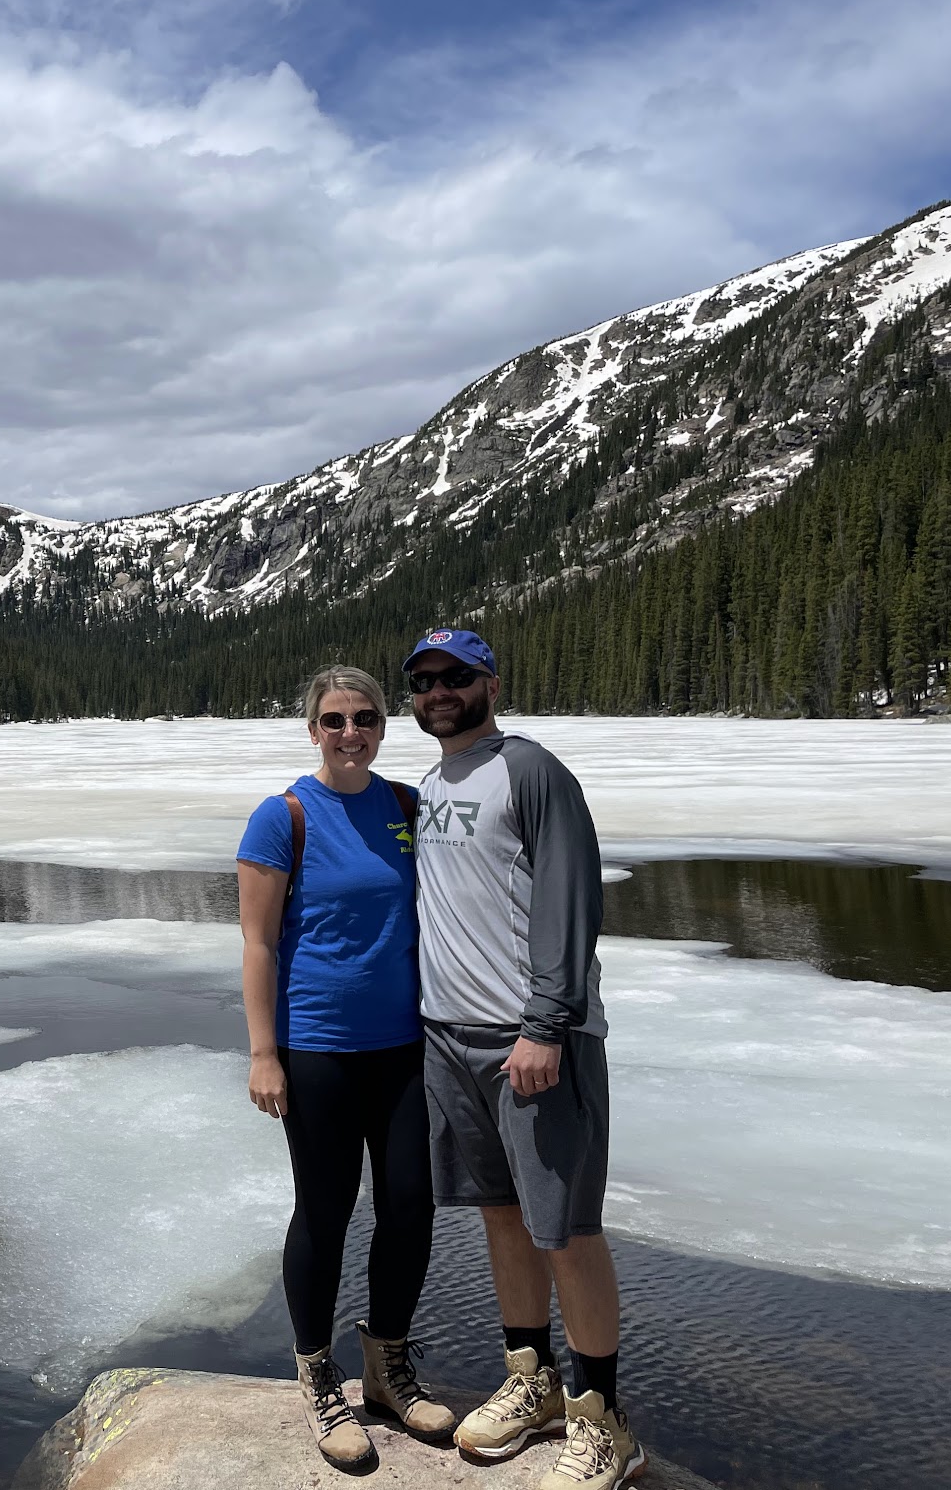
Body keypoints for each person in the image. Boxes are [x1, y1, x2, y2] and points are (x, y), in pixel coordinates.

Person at [402, 629, 644, 1490]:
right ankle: (530, 1382)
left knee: (568, 1230)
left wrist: (547, 1024)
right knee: (501, 1215)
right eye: (424, 679)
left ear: (490, 683)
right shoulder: (430, 785)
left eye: (455, 677)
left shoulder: (530, 771)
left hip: (532, 1042)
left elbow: (571, 904)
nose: (439, 691)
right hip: (451, 1039)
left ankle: (604, 1420)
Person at [236, 664, 457, 1473]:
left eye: (364, 718)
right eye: (334, 720)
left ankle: (387, 1365)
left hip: (402, 1047)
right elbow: (259, 945)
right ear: (312, 730)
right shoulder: (284, 816)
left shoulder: (405, 807)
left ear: (383, 725)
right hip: (318, 1047)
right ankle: (316, 1374)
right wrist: (265, 1053)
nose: (350, 733)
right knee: (324, 1212)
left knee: (410, 1205)